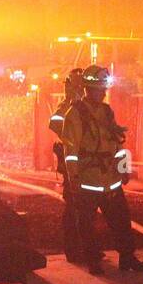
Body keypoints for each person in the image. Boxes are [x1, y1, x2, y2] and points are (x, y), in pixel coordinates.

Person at [59, 64, 143, 274]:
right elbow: (70, 149)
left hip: (110, 178)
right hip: (88, 179)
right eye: (99, 89)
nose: (102, 93)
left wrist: (123, 168)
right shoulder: (75, 114)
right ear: (88, 89)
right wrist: (73, 177)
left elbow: (117, 143)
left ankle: (127, 258)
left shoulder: (107, 111)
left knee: (121, 221)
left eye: (103, 89)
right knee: (87, 225)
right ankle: (93, 261)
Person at [48, 68, 85, 263]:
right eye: (77, 85)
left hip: (89, 165)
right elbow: (54, 124)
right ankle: (73, 250)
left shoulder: (90, 106)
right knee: (73, 208)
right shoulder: (65, 107)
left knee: (87, 208)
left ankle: (88, 247)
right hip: (72, 165)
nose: (81, 89)